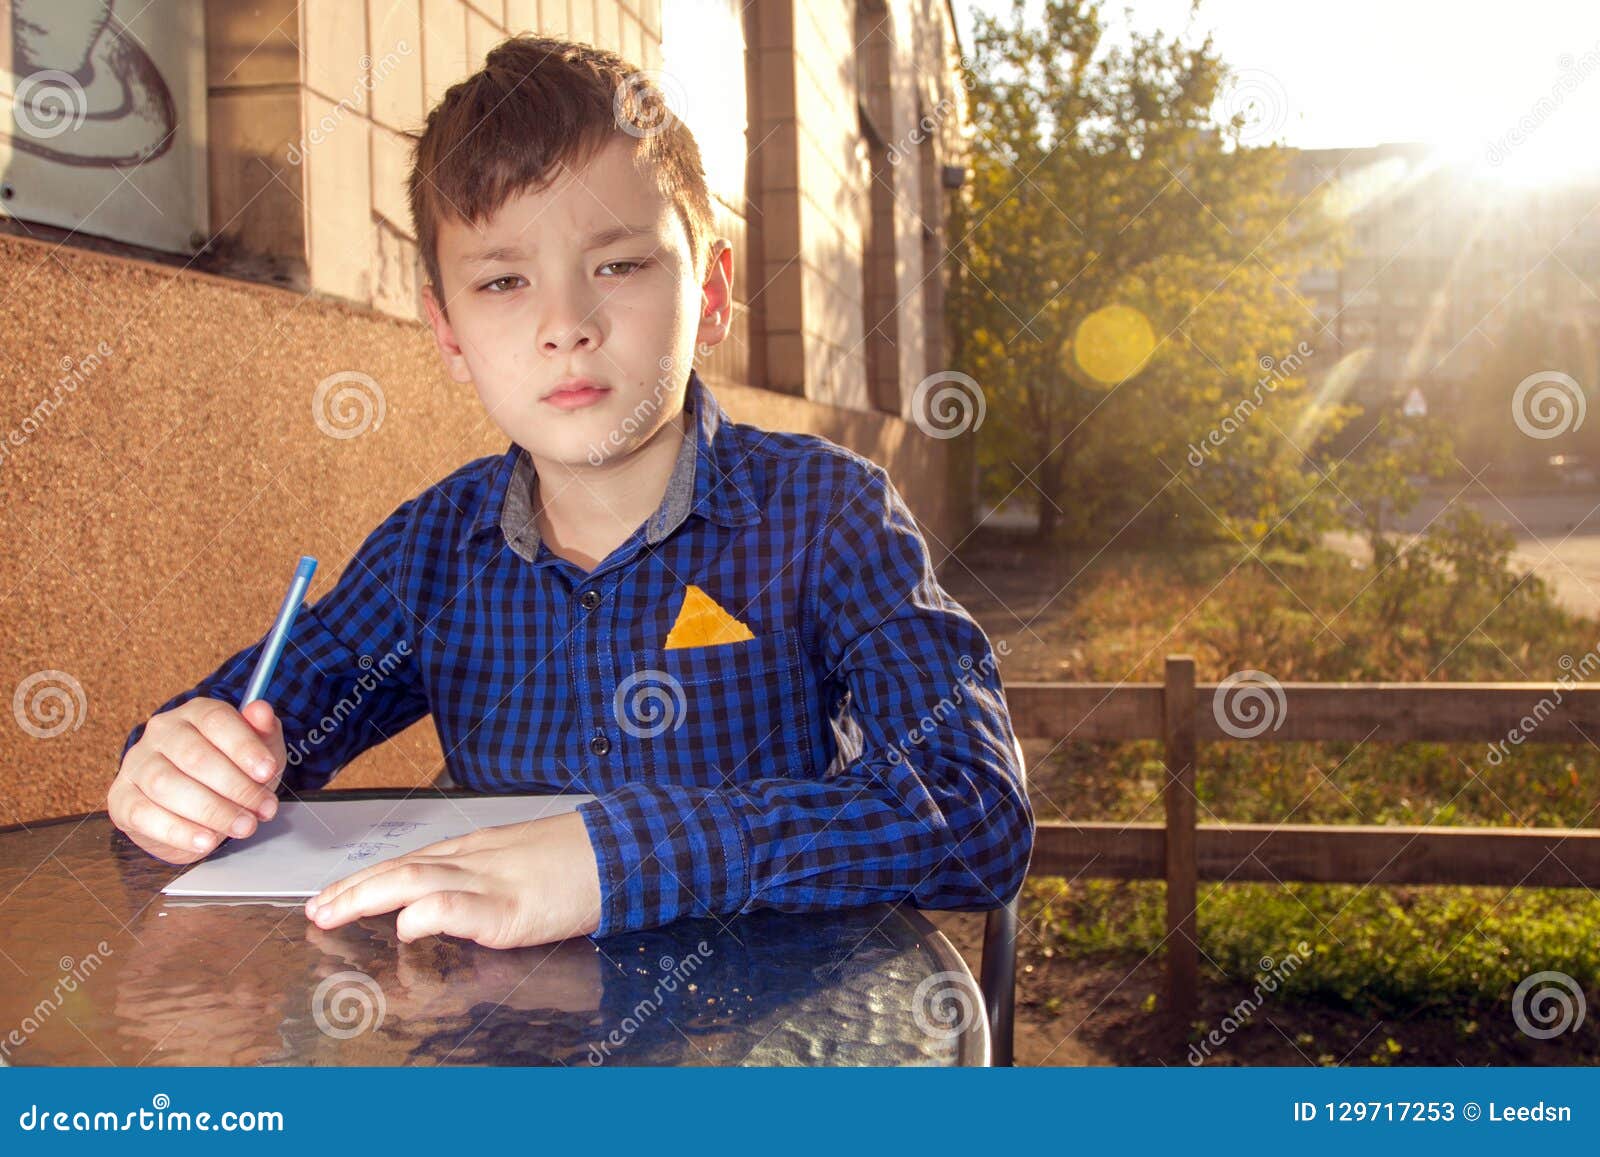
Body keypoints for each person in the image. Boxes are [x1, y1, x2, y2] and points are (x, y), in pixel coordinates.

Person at [108, 33, 1034, 949]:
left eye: (619, 265)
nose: (565, 325)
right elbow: (256, 730)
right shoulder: (431, 549)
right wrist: (179, 766)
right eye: (503, 280)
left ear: (710, 292)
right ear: (447, 332)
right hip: (498, 1049)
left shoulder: (826, 514)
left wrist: (623, 857)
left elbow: (977, 809)